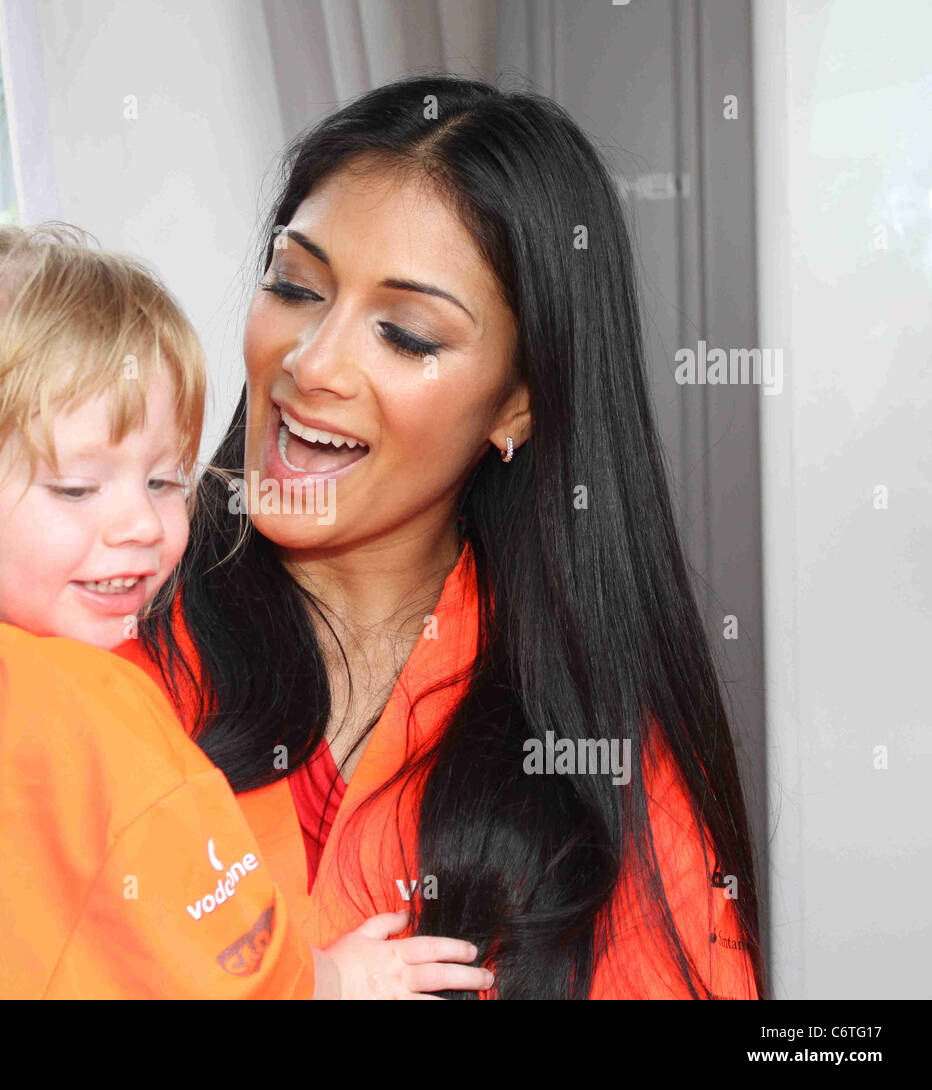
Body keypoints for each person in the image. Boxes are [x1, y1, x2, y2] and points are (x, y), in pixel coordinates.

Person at [119, 75, 766, 999]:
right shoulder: (106, 634)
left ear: (519, 403)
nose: (312, 363)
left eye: (408, 335)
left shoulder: (596, 763)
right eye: (295, 286)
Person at [0, 207, 494, 999]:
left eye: (165, 480)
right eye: (76, 488)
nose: (141, 525)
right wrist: (335, 982)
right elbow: (222, 950)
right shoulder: (87, 699)